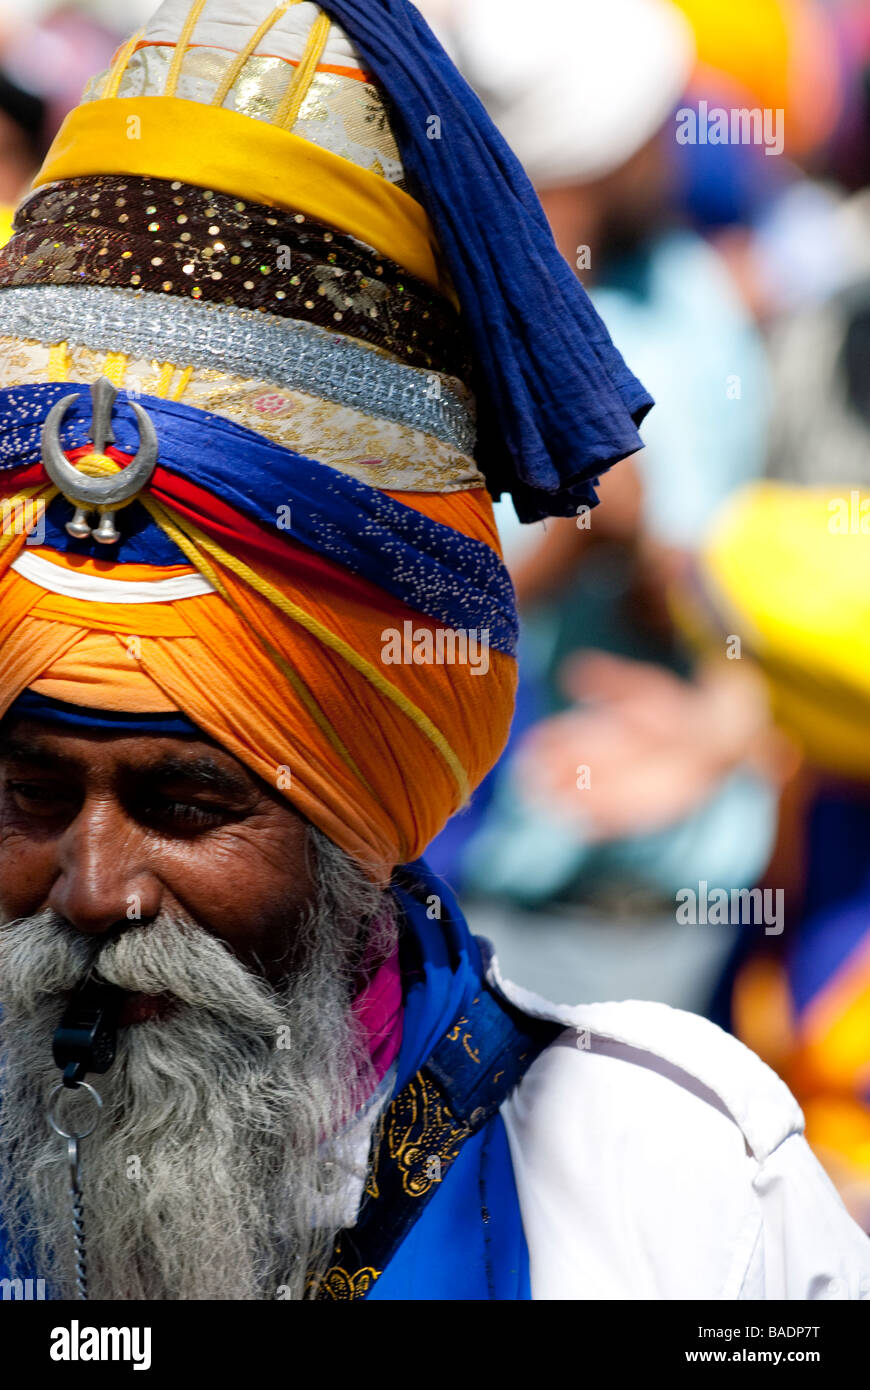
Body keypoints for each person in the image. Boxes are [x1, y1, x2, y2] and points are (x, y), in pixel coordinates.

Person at [0, 0, 867, 1302]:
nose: (95, 887)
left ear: (364, 815)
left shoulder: (668, 1191)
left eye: (186, 804)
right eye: (31, 792)